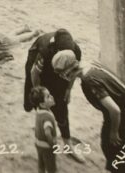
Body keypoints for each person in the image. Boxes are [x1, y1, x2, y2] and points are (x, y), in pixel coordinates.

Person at [52, 51, 125, 171]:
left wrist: (114, 132)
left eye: (63, 74)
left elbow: (115, 110)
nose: (63, 77)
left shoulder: (89, 81)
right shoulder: (89, 64)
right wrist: (69, 89)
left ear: (69, 72)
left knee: (112, 148)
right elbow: (74, 74)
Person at [24, 29, 84, 159]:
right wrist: (40, 94)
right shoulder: (44, 52)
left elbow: (74, 71)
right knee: (35, 102)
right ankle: (42, 123)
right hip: (37, 63)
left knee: (61, 104)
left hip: (60, 69)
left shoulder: (77, 51)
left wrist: (68, 90)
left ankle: (68, 144)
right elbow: (34, 73)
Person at [30, 86, 59, 173]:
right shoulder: (47, 117)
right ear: (42, 104)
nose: (52, 97)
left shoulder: (39, 111)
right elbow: (47, 132)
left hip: (38, 143)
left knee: (41, 164)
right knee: (51, 168)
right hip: (47, 146)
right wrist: (52, 144)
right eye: (48, 96)